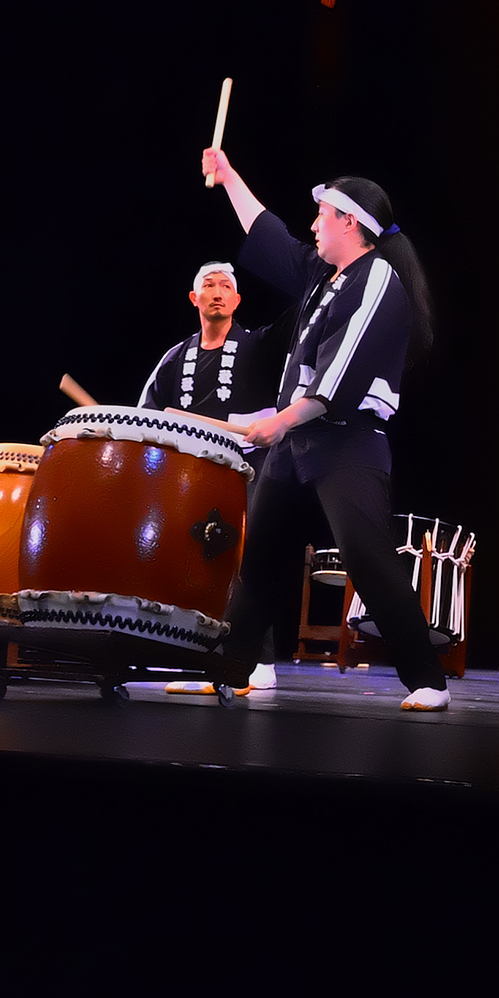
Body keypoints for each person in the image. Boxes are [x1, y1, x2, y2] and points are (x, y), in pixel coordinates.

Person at [200, 146, 452, 711]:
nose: (312, 225)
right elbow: (269, 236)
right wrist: (231, 175)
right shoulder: (325, 276)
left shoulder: (378, 278)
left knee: (367, 557)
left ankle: (428, 680)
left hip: (347, 443)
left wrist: (277, 420)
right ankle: (228, 669)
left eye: (321, 215)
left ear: (349, 222)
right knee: (259, 557)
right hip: (298, 441)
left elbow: (339, 377)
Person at [138, 260, 286, 696]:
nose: (217, 291)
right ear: (194, 298)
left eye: (226, 285)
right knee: (192, 562)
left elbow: (288, 397)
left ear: (237, 300)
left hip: (249, 468)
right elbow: (148, 415)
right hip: (192, 477)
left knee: (245, 562)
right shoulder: (174, 358)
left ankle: (260, 661)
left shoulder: (260, 347)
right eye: (209, 285)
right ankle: (198, 655)